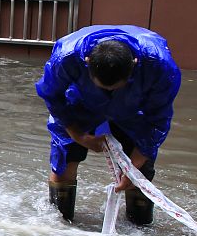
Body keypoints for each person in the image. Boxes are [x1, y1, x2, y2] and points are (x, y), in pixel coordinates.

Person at [35, 25, 182, 225]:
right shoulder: (67, 57)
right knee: (64, 159)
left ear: (135, 64)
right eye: (104, 87)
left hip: (133, 108)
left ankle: (139, 227)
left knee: (140, 175)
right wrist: (79, 136)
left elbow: (158, 120)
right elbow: (51, 96)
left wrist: (134, 168)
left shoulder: (159, 65)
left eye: (115, 87)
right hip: (79, 103)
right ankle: (59, 225)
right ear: (86, 64)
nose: (110, 91)